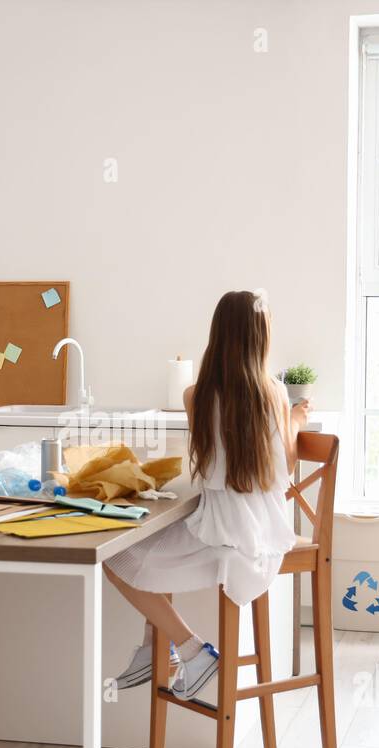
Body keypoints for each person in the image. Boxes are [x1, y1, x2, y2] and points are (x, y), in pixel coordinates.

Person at [104, 290, 308, 699]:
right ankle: (170, 646)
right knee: (139, 551)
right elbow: (286, 467)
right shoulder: (274, 393)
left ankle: (178, 646)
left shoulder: (194, 395)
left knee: (118, 556)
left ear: (217, 335)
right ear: (260, 339)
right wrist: (296, 420)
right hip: (262, 532)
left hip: (222, 529)